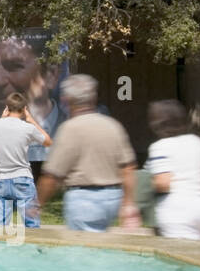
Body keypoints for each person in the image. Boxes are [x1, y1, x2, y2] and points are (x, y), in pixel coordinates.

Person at [37, 75, 139, 232]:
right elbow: (128, 168)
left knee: (84, 253)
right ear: (94, 98)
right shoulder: (113, 126)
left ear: (66, 100)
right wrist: (129, 203)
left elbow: (52, 176)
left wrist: (38, 204)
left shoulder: (69, 129)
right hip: (113, 198)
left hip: (85, 200)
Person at [145, 99, 200, 240]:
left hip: (178, 211)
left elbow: (163, 183)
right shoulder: (197, 142)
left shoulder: (160, 147)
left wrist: (147, 184)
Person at [0, 92, 51, 230]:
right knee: (32, 227)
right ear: (24, 109)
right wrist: (32, 121)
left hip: (1, 181)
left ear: (7, 108)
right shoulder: (28, 128)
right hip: (23, 181)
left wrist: (1, 119)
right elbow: (48, 141)